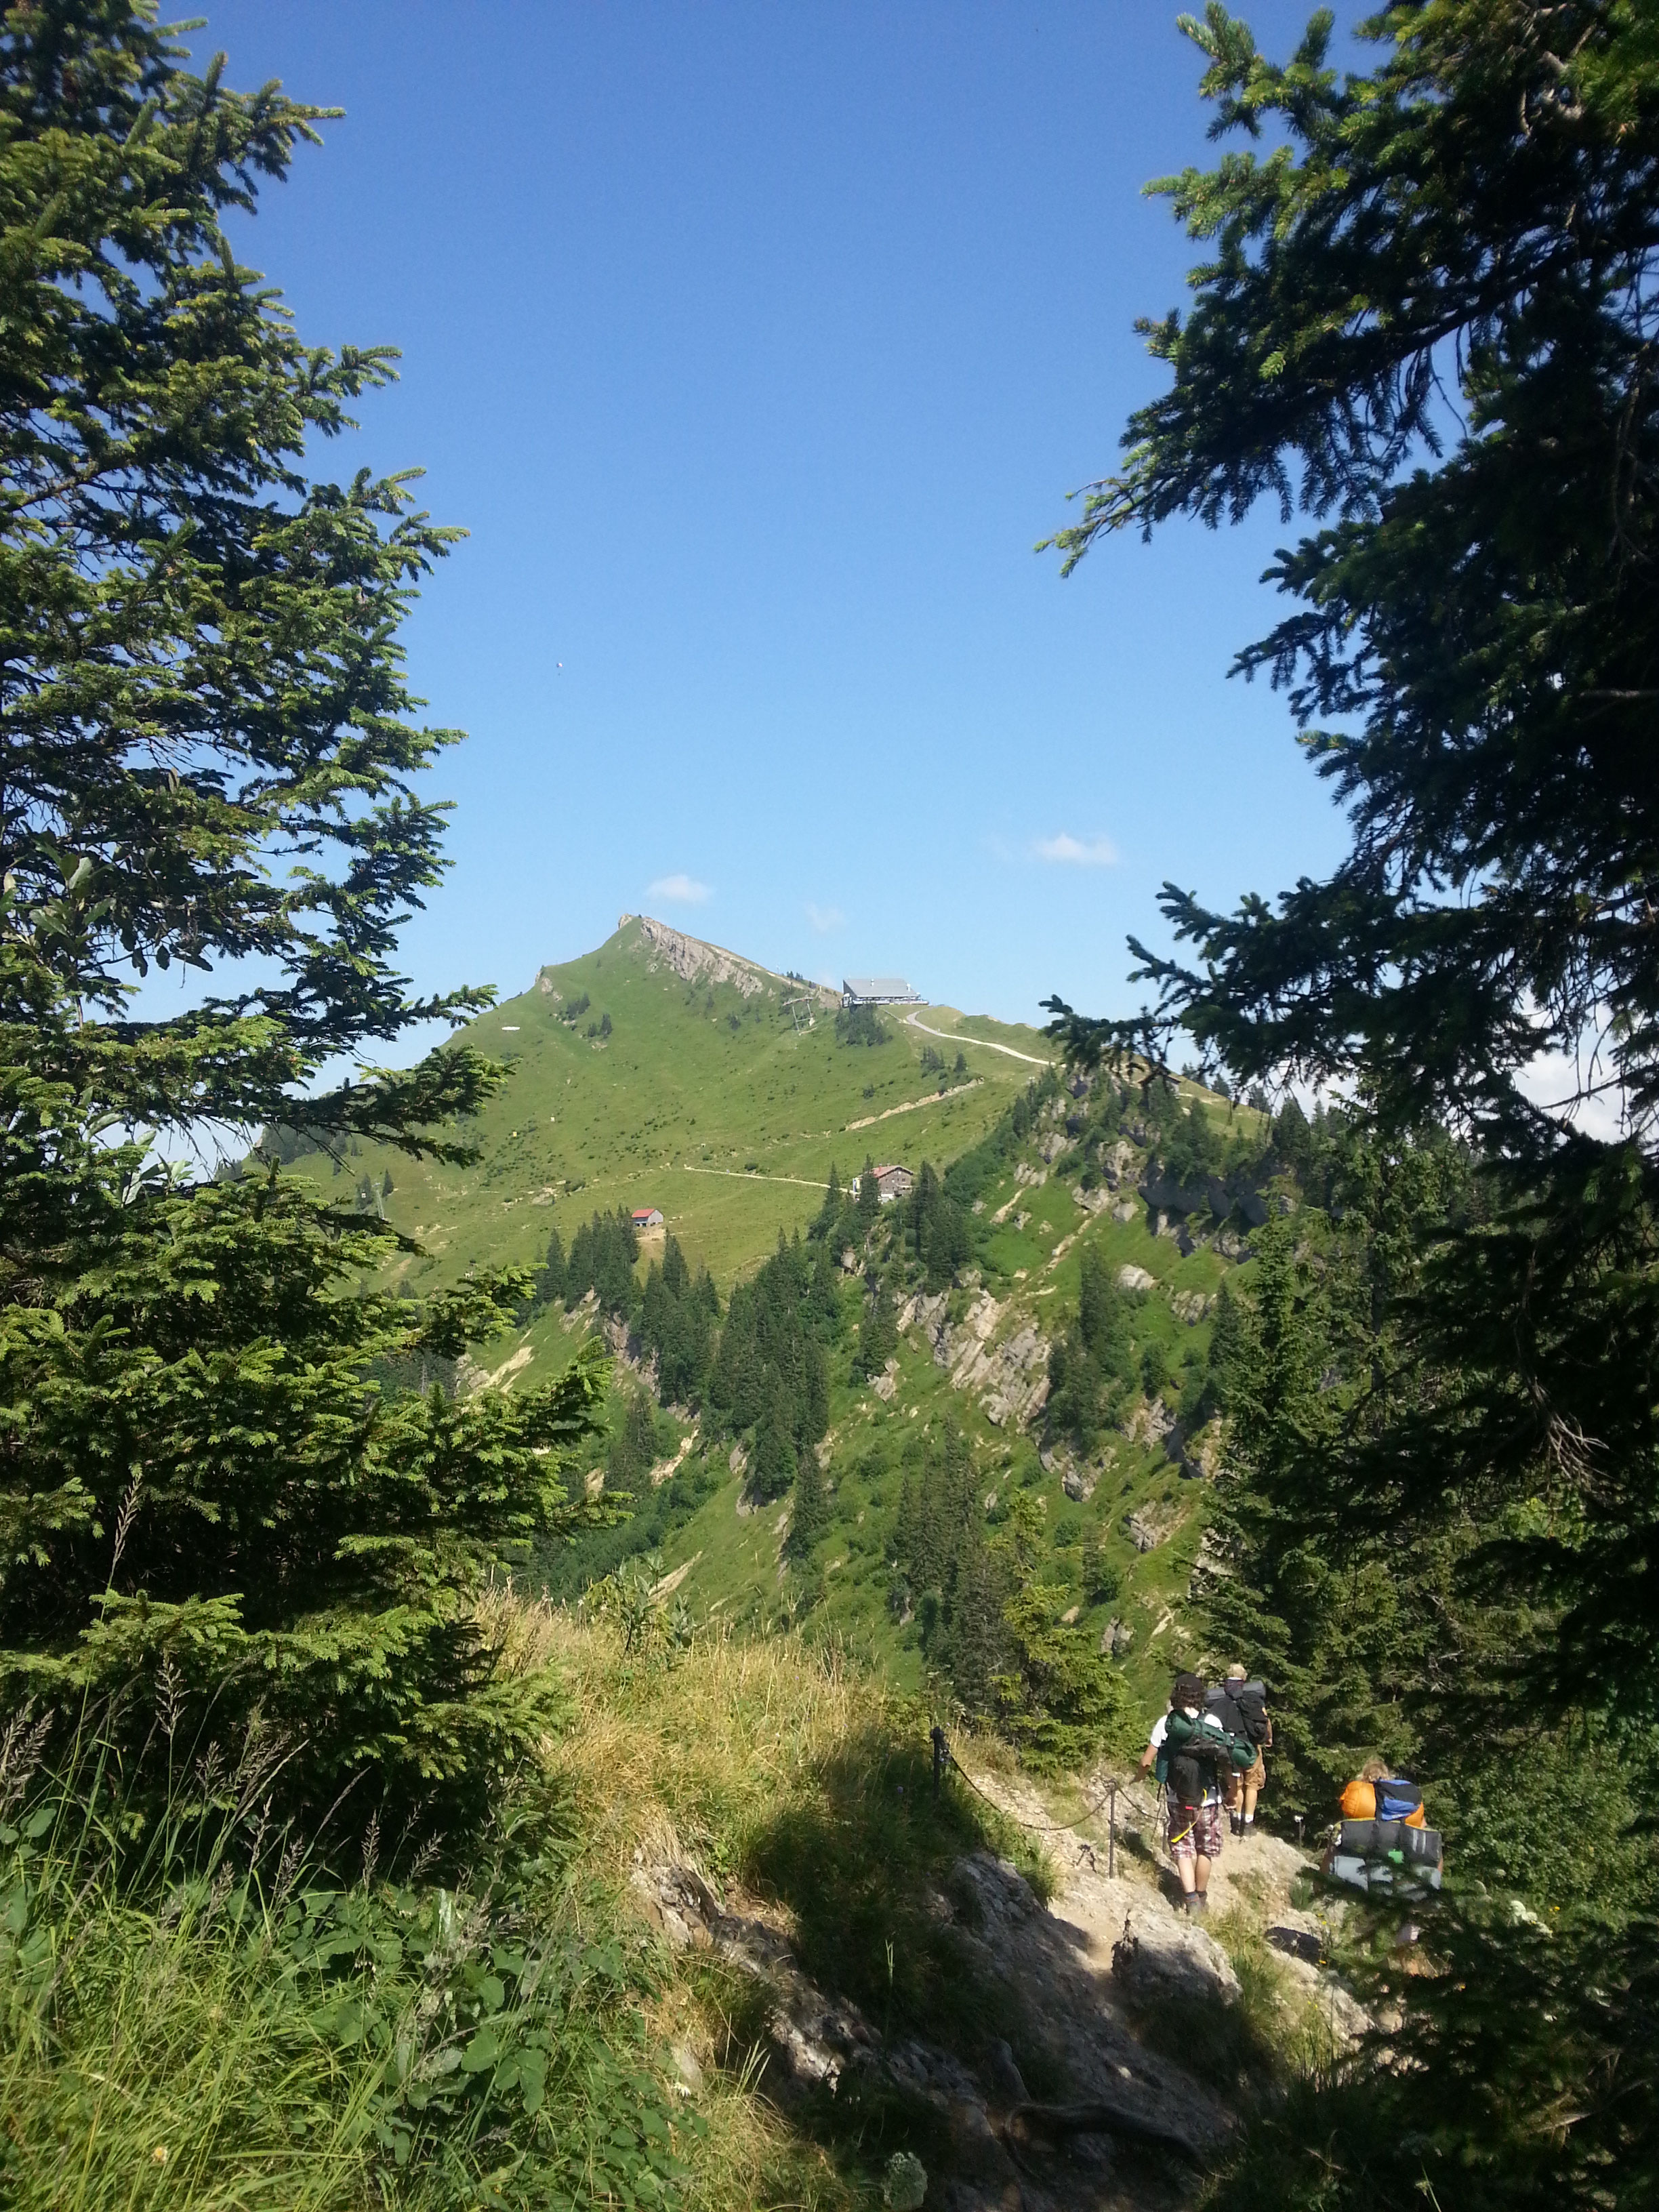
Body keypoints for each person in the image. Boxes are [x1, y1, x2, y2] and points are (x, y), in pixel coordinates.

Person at [1144, 1672, 1254, 1917]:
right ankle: (1201, 1897)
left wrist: (1138, 1777)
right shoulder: (1211, 1722)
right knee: (1205, 1848)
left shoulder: (1167, 1723)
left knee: (1183, 1847)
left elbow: (1146, 1761)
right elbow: (1226, 1760)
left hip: (1178, 1797)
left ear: (1176, 1694)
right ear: (1200, 1696)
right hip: (1209, 1798)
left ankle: (1190, 1898)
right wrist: (1232, 1791)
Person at [1216, 1662, 1271, 1837]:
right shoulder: (1253, 1696)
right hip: (1252, 1747)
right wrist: (1268, 1738)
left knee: (1237, 1785)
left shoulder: (1222, 1697)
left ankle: (1236, 1821)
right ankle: (1248, 1824)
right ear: (1244, 1678)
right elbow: (1265, 1719)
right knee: (1252, 1784)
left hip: (1231, 1747)